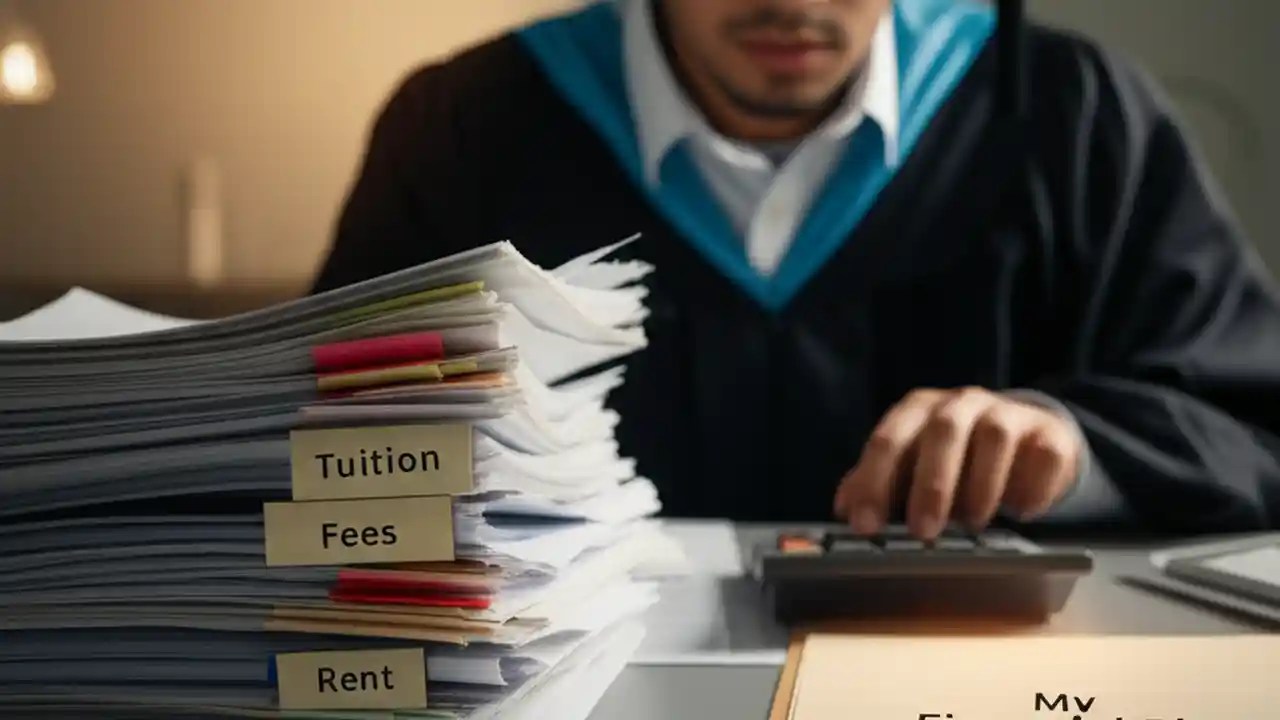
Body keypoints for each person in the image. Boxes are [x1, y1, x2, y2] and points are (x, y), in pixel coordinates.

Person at [312, 0, 1280, 538]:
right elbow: (332, 455)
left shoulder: (1073, 114)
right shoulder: (466, 127)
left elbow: (1248, 425)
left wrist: (1072, 444)